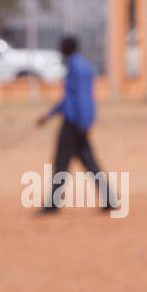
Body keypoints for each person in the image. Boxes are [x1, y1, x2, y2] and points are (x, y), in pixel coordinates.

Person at [35, 35, 115, 213]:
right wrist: (50, 115)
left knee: (61, 163)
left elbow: (80, 99)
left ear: (67, 48)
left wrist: (82, 124)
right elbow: (72, 99)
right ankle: (109, 198)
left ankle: (52, 204)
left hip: (73, 124)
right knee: (89, 162)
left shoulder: (75, 68)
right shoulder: (81, 66)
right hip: (79, 123)